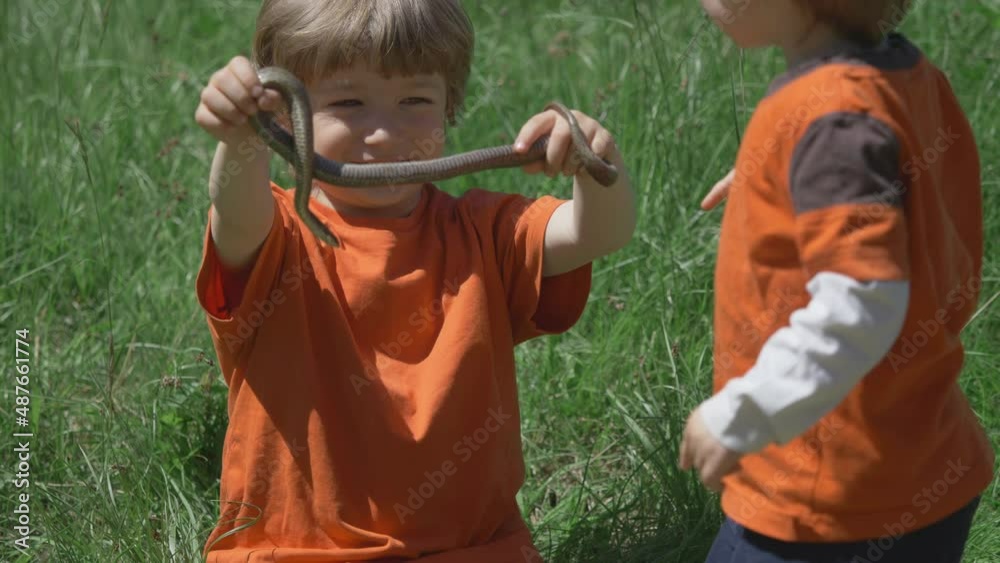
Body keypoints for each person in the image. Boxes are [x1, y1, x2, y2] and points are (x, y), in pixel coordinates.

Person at [191, 0, 635, 561]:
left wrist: (595, 162)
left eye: (415, 101)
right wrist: (240, 137)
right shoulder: (276, 237)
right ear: (283, 118)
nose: (384, 133)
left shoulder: (484, 232)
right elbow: (235, 213)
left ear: (450, 104)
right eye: (348, 102)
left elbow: (598, 233)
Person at [679, 1, 994, 562]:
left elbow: (859, 304)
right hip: (922, 456)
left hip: (824, 498)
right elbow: (892, 179)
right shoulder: (903, 78)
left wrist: (743, 415)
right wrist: (787, 173)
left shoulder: (834, 126)